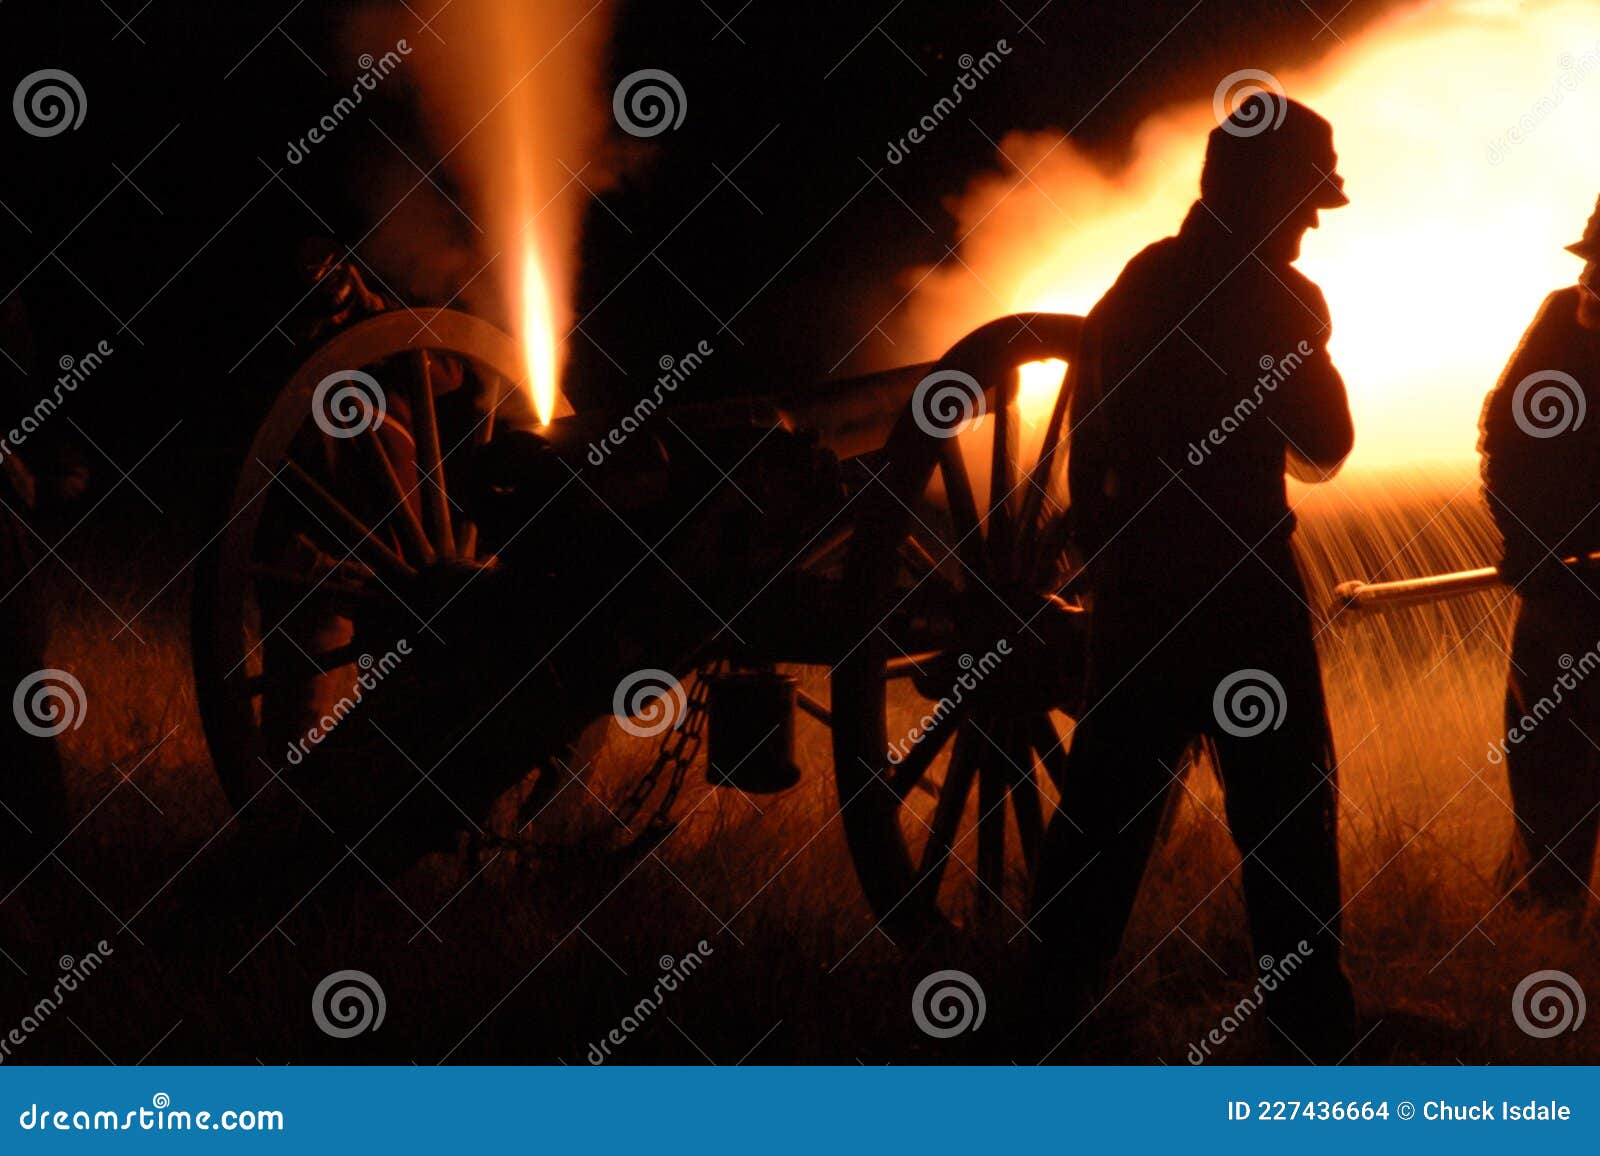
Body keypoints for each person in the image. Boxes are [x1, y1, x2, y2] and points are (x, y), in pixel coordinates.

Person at [1031, 95, 1357, 1061]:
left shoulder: (1135, 287)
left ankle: (1042, 1020)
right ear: (1263, 192)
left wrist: (1116, 572)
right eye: (1304, 200)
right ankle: (1309, 1042)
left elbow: (1087, 462)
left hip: (1140, 597)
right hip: (1247, 598)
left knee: (1102, 817)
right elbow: (1327, 443)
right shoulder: (1282, 300)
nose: (1310, 222)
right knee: (1288, 818)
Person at [1479, 193, 1600, 910]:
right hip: (1559, 587)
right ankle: (1541, 909)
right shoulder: (1561, 317)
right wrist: (1526, 541)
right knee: (1549, 764)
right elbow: (1505, 436)